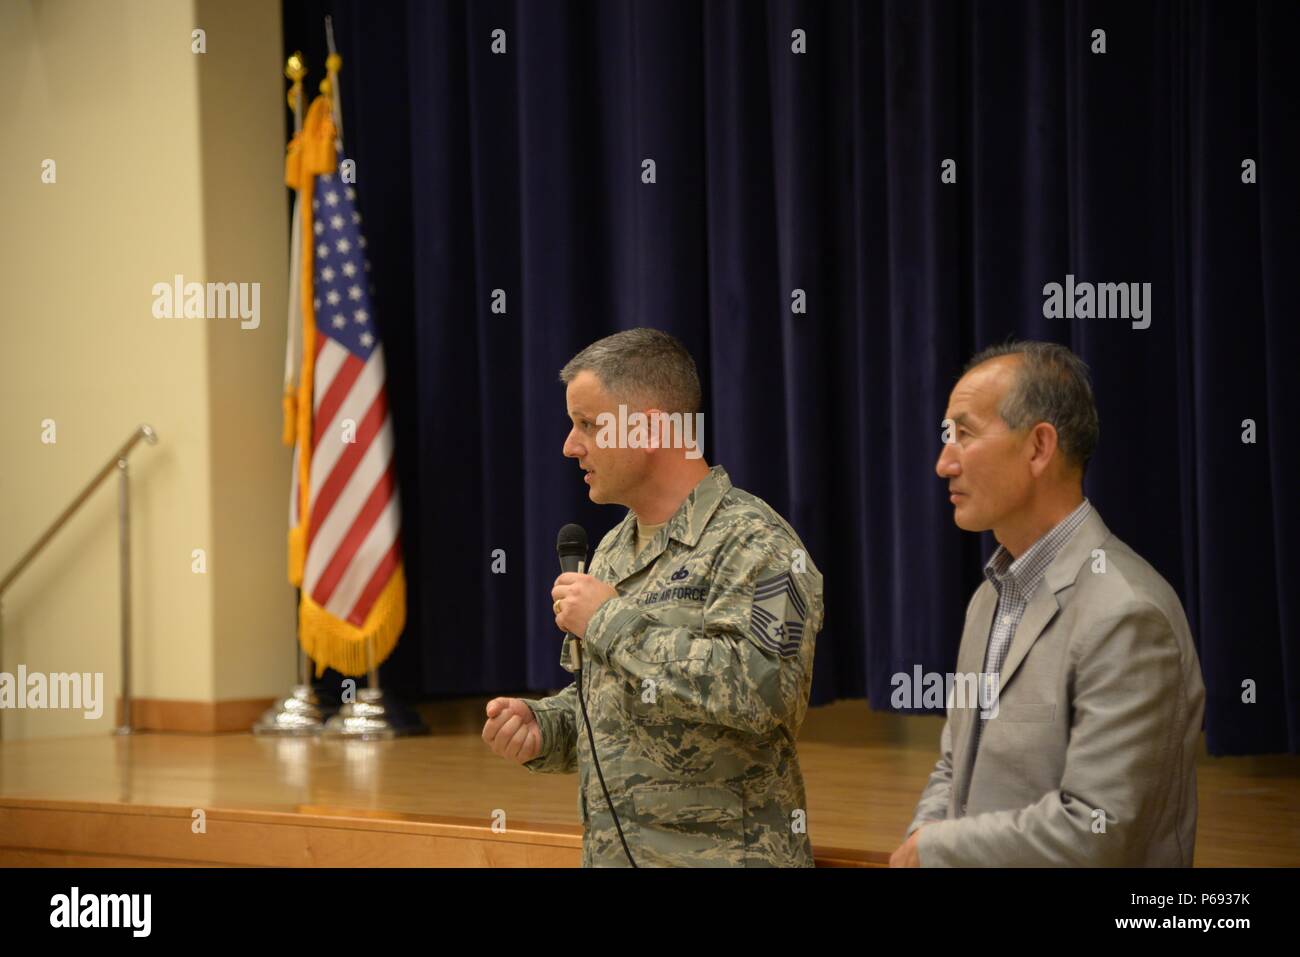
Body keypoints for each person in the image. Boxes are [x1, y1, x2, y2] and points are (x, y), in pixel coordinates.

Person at [481, 327, 823, 867]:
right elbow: (616, 705)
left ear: (649, 427)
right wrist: (546, 727)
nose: (570, 446)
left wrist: (610, 622)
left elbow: (766, 695)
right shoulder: (614, 547)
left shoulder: (758, 542)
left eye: (588, 425)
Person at [892, 340, 1205, 867]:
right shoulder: (988, 598)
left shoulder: (1128, 613)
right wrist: (923, 833)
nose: (944, 462)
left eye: (963, 435)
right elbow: (953, 767)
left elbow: (1095, 831)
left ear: (1039, 447)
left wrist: (935, 850)